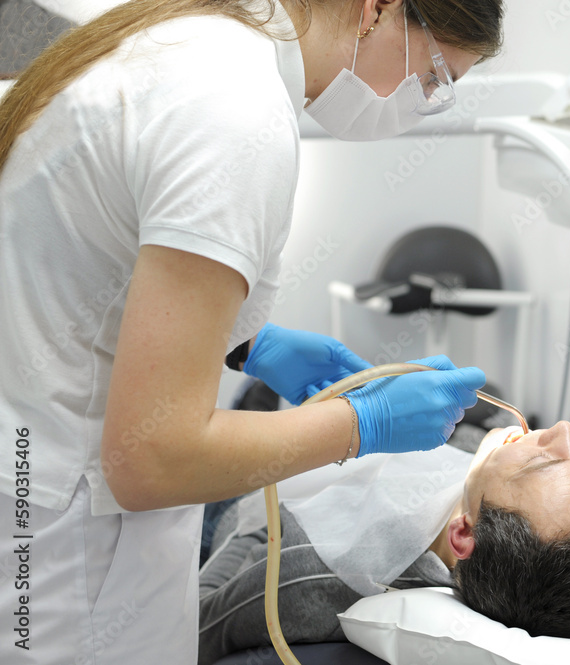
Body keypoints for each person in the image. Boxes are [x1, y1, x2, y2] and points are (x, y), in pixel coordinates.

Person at [0, 0, 503, 662]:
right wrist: (361, 425)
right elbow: (151, 459)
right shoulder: (237, 115)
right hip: (69, 542)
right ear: (376, 10)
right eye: (434, 76)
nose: (423, 101)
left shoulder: (197, 44)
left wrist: (245, 343)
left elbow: (82, 258)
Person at [198, 422, 570, 663]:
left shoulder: (311, 575)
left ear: (464, 533)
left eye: (542, 462)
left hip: (247, 506)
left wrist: (249, 518)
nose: (564, 430)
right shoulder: (499, 507)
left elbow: (197, 628)